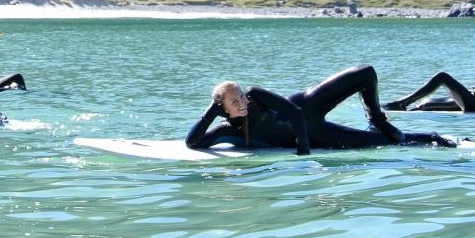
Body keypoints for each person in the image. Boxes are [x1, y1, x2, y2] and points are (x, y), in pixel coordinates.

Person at [185, 65, 456, 155]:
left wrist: (303, 149)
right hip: (319, 135)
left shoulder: (256, 95)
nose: (243, 103)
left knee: (365, 73)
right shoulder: (227, 131)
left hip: (307, 107)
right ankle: (430, 136)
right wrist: (211, 110)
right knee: (384, 144)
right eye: (235, 102)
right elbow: (193, 143)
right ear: (224, 110)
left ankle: (377, 118)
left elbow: (293, 112)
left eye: (241, 96)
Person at [383, 27, 475, 113]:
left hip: (474, 103)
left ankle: (403, 103)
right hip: (471, 99)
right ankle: (411, 109)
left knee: (442, 76)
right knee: (426, 104)